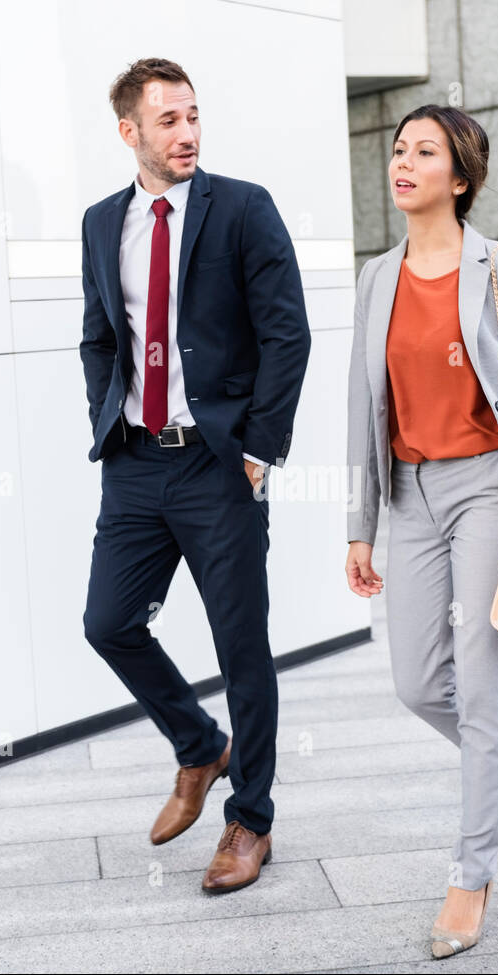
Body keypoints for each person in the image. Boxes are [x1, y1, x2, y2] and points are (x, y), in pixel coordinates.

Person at [344, 104, 498, 957]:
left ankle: (470, 873)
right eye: (398, 149)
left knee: (486, 685)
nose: (403, 162)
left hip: (492, 487)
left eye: (425, 151)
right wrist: (360, 522)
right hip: (409, 494)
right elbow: (360, 406)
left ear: (460, 177)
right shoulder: (376, 277)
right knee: (418, 683)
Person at [80, 58, 310, 893]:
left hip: (220, 468)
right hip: (137, 465)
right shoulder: (102, 222)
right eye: (168, 120)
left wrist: (259, 448)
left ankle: (250, 818)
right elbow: (98, 337)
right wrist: (107, 420)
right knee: (108, 622)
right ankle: (198, 745)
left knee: (241, 647)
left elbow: (289, 334)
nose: (187, 133)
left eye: (193, 117)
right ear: (129, 133)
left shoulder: (242, 208)